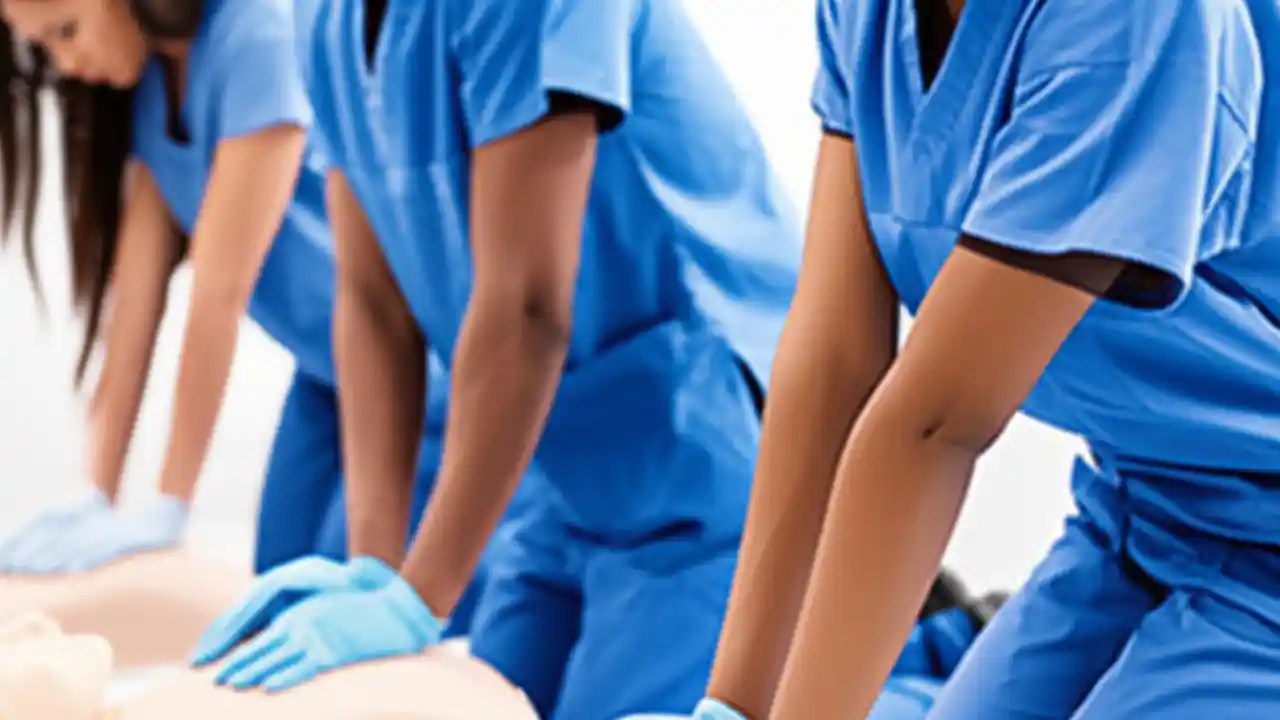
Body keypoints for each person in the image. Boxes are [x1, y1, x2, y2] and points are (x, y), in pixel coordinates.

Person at [188, 0, 802, 718]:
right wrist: (375, 567)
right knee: (458, 692)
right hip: (557, 472)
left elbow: (528, 307)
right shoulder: (326, 18)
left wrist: (419, 598)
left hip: (707, 458)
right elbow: (374, 302)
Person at [667, 0, 1280, 718]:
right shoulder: (867, 15)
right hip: (1143, 510)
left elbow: (937, 422)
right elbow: (836, 359)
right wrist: (732, 708)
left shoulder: (1133, 16)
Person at [0, 0, 498, 633]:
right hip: (326, 379)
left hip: (419, 384)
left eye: (67, 32)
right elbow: (135, 306)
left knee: (353, 609)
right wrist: (97, 491)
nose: (67, 64)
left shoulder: (256, 37)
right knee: (273, 588)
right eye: (45, 48)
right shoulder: (153, 88)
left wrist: (169, 504)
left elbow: (219, 294)